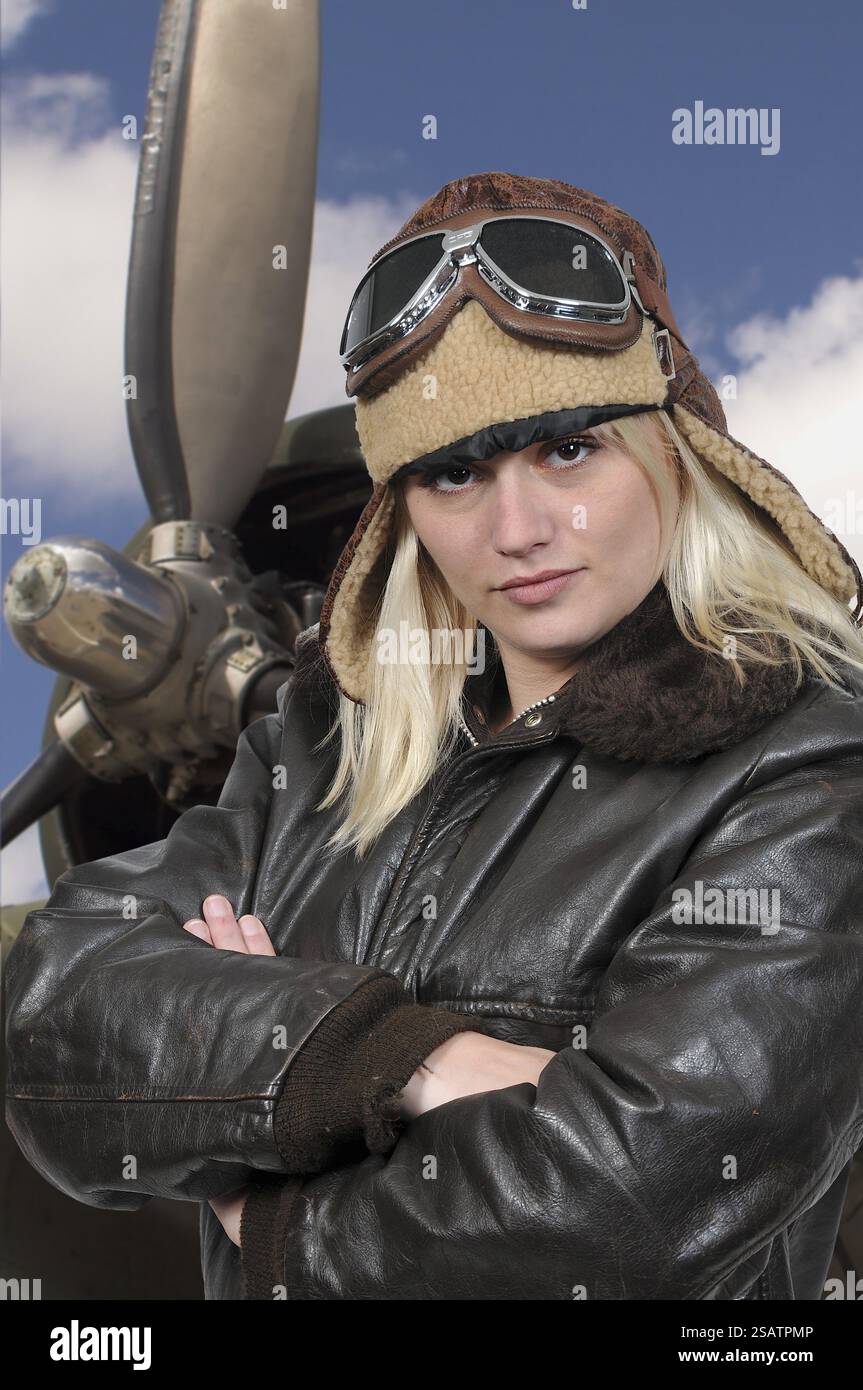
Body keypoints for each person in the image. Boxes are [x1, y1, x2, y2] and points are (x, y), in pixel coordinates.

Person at [6, 171, 863, 1302]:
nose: (516, 530)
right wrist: (405, 1061)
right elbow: (62, 1030)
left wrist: (270, 1213)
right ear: (402, 513)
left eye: (568, 449)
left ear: (670, 453)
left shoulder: (806, 761)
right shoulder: (313, 753)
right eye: (454, 471)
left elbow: (627, 1205)